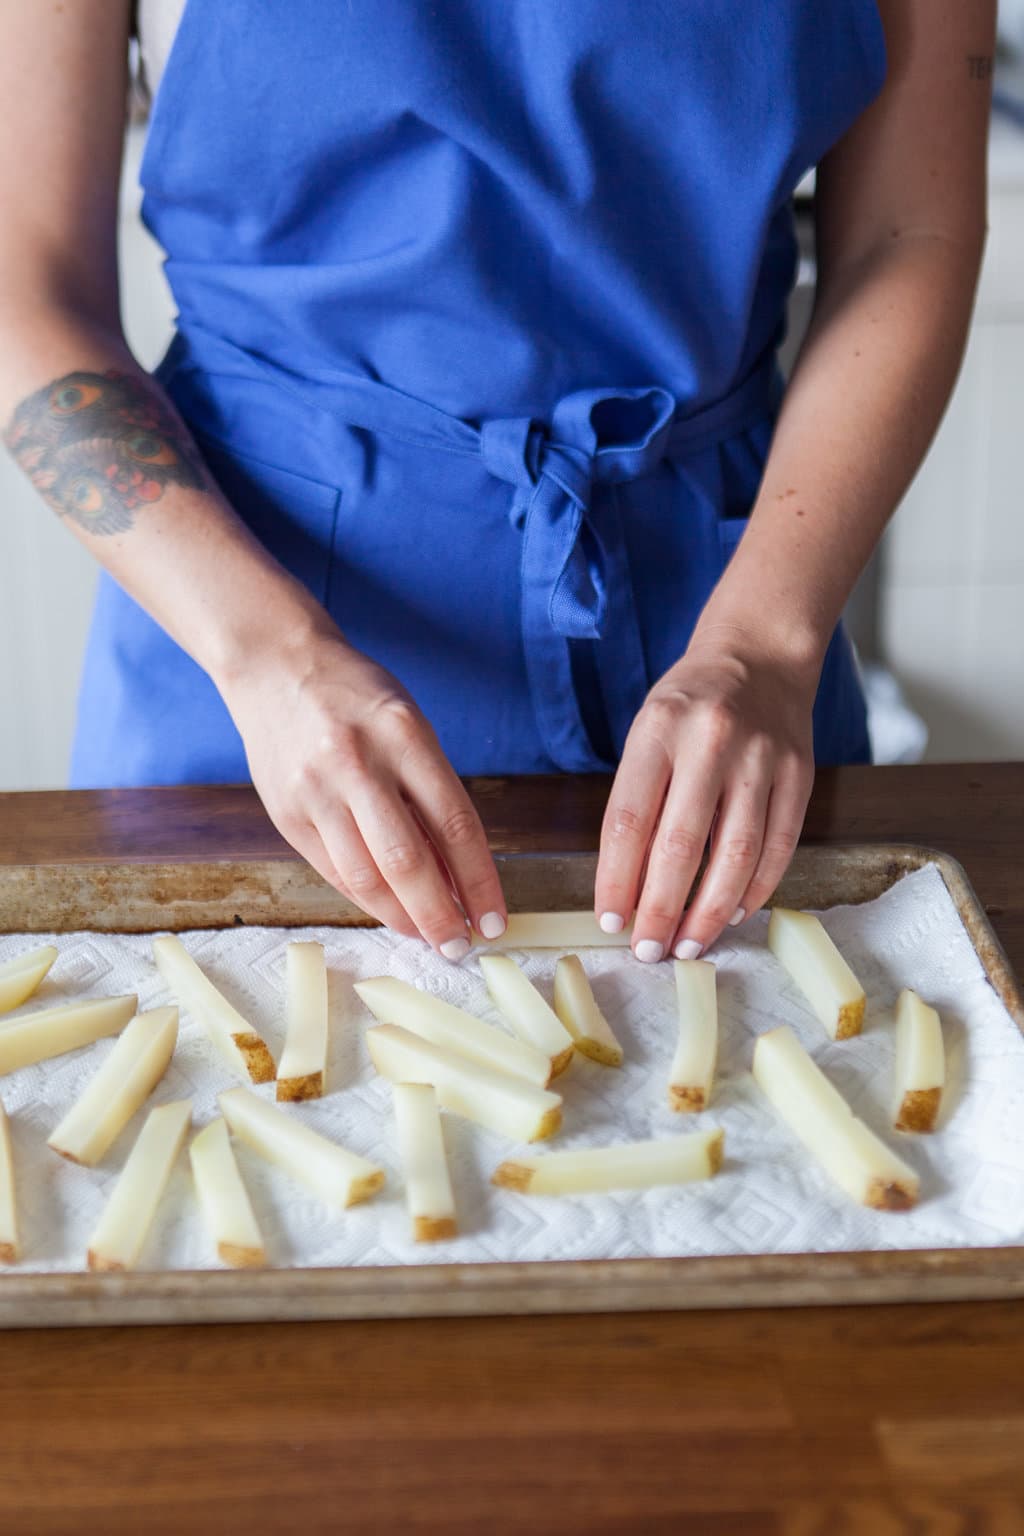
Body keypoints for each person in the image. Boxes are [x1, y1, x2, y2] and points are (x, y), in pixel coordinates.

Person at [0, 2, 994, 964]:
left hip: (728, 619)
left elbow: (905, 238)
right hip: (234, 625)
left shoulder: (756, 646)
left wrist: (766, 643)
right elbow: (25, 282)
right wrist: (266, 656)